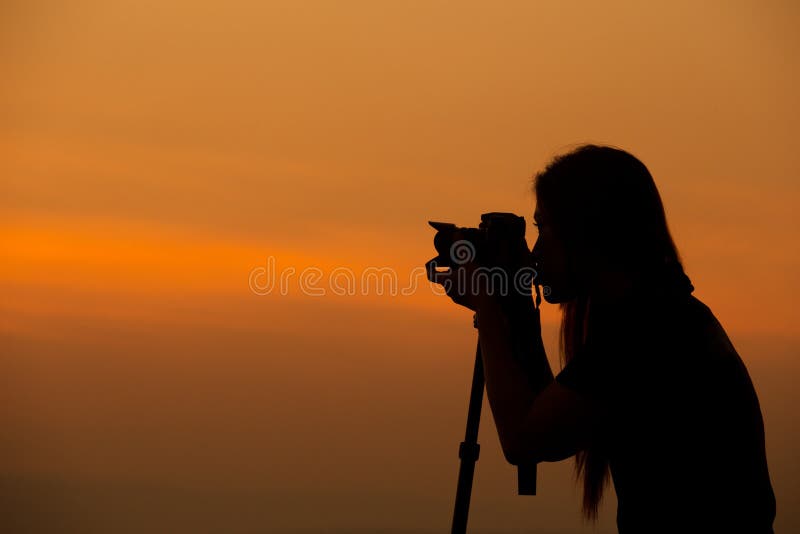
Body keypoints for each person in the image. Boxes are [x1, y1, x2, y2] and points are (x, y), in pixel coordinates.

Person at [428, 145, 776, 533]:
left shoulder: (646, 334)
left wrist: (488, 311)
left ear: (586, 233)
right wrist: (516, 311)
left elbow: (525, 440)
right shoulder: (667, 314)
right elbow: (549, 411)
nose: (537, 251)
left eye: (543, 228)